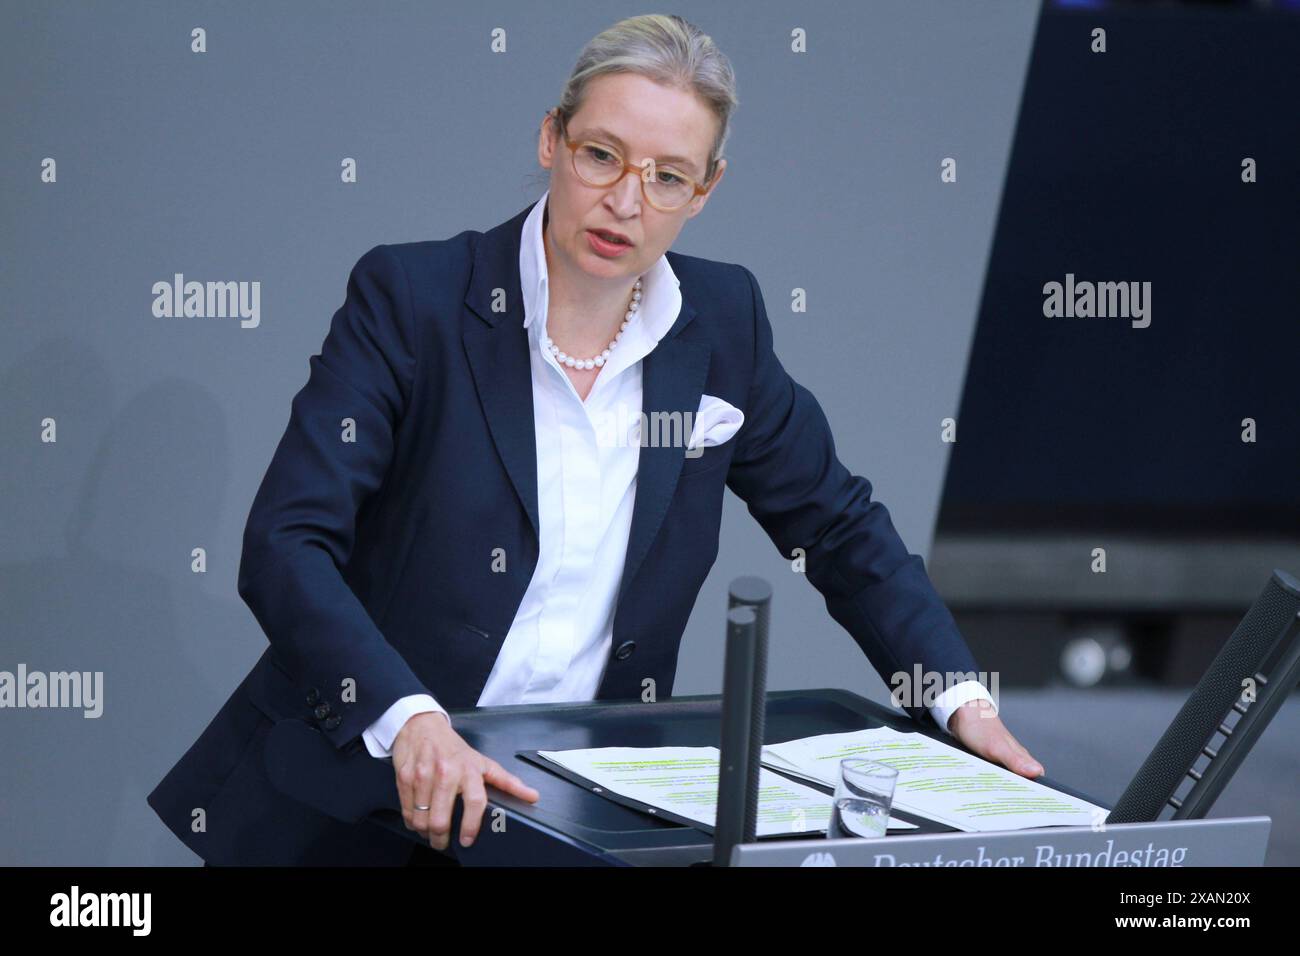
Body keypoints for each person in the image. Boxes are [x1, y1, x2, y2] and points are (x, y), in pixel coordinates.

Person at [148, 13, 1042, 868]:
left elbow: (840, 528)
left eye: (667, 176)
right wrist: (410, 719)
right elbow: (285, 546)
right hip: (355, 794)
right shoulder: (411, 299)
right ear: (552, 140)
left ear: (706, 189)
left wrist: (954, 697)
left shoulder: (724, 324)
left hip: (565, 816)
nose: (626, 200)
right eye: (602, 155)